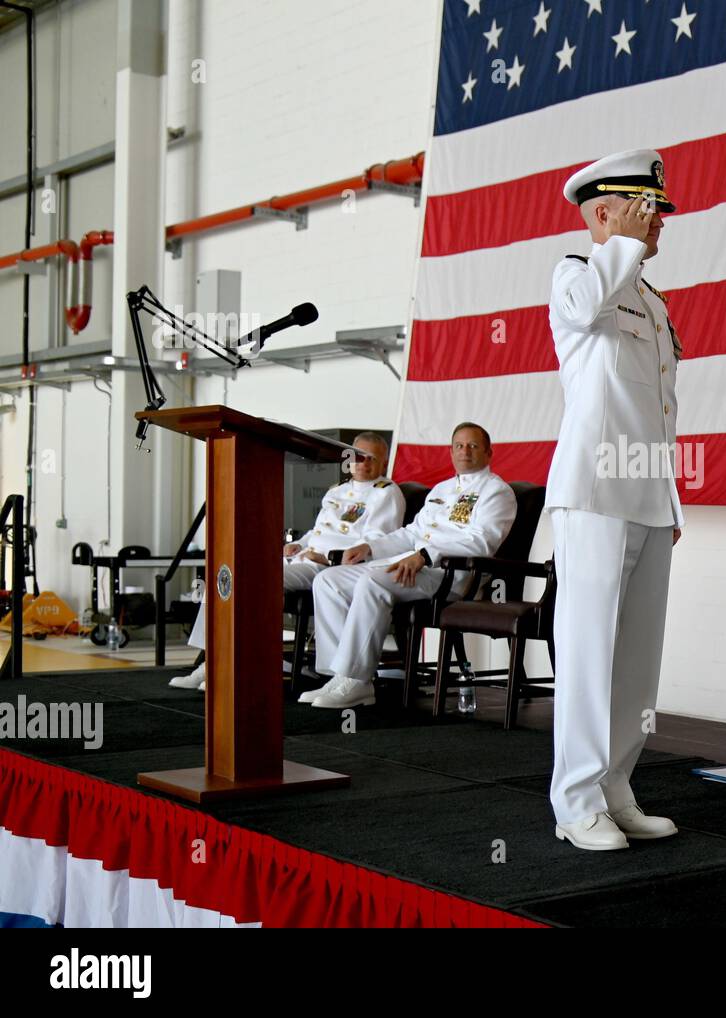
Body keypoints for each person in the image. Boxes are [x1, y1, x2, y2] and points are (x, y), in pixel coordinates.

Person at [547, 149, 684, 851]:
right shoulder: (578, 275)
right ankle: (575, 801)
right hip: (595, 493)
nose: (657, 220)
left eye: (656, 209)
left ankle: (615, 786)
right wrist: (620, 242)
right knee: (588, 651)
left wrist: (670, 504)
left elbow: (660, 409)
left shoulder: (653, 302)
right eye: (644, 207)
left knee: (635, 661)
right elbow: (582, 307)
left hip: (647, 497)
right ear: (603, 212)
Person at [168, 432, 403, 691]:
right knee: (228, 578)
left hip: (333, 569)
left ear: (383, 462)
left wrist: (324, 557)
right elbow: (318, 532)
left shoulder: (386, 494)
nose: (363, 463)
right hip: (304, 560)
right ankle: (212, 661)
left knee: (259, 580)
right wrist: (298, 545)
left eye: (371, 458)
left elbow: (372, 545)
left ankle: (248, 663)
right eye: (359, 456)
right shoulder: (338, 490)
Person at [306, 422, 516, 709]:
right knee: (329, 580)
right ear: (451, 452)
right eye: (458, 445)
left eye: (473, 446)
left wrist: (426, 555)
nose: (464, 451)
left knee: (374, 582)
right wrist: (371, 548)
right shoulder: (441, 489)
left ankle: (357, 681)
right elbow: (412, 533)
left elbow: (482, 543)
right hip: (414, 566)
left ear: (489, 453)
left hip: (452, 574)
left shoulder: (497, 492)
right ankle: (337, 675)